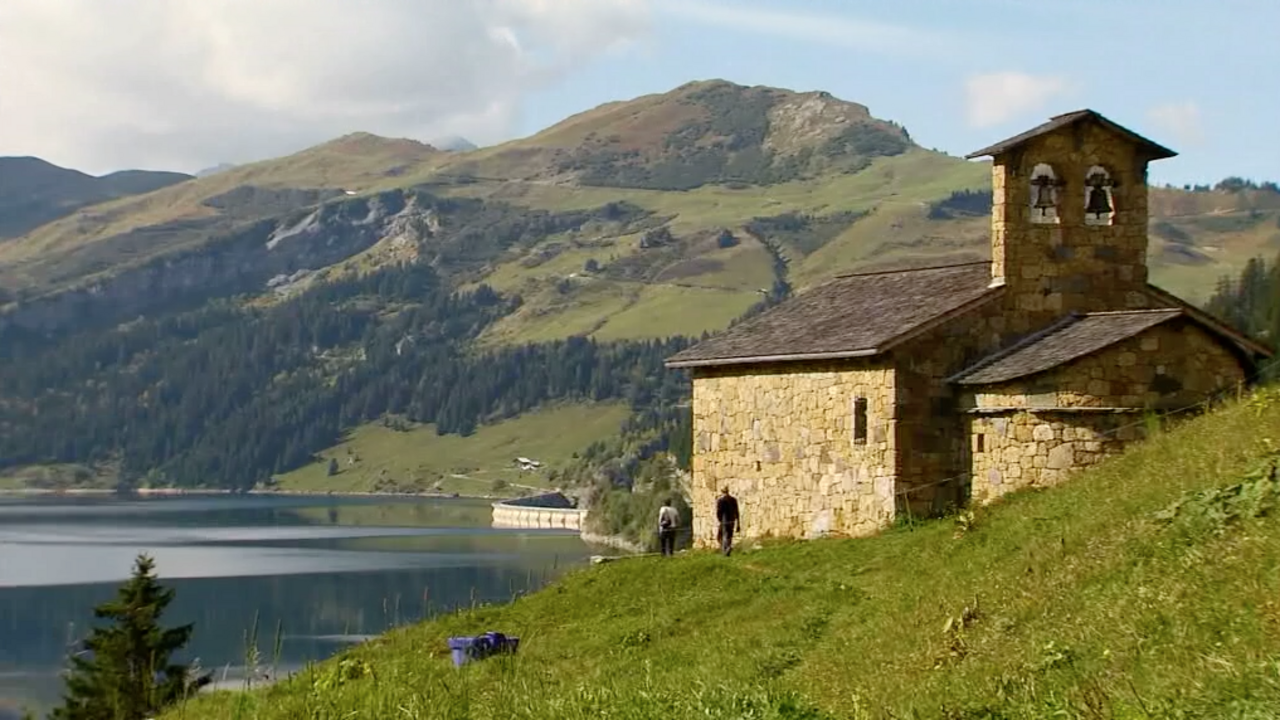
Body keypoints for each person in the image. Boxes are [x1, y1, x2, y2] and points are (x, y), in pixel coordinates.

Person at [715, 487, 740, 556]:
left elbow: (719, 512)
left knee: (722, 536)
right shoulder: (733, 500)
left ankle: (725, 551)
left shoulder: (720, 500)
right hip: (732, 520)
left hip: (724, 520)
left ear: (722, 492)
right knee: (729, 536)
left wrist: (719, 519)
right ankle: (727, 549)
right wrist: (738, 523)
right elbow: (737, 512)